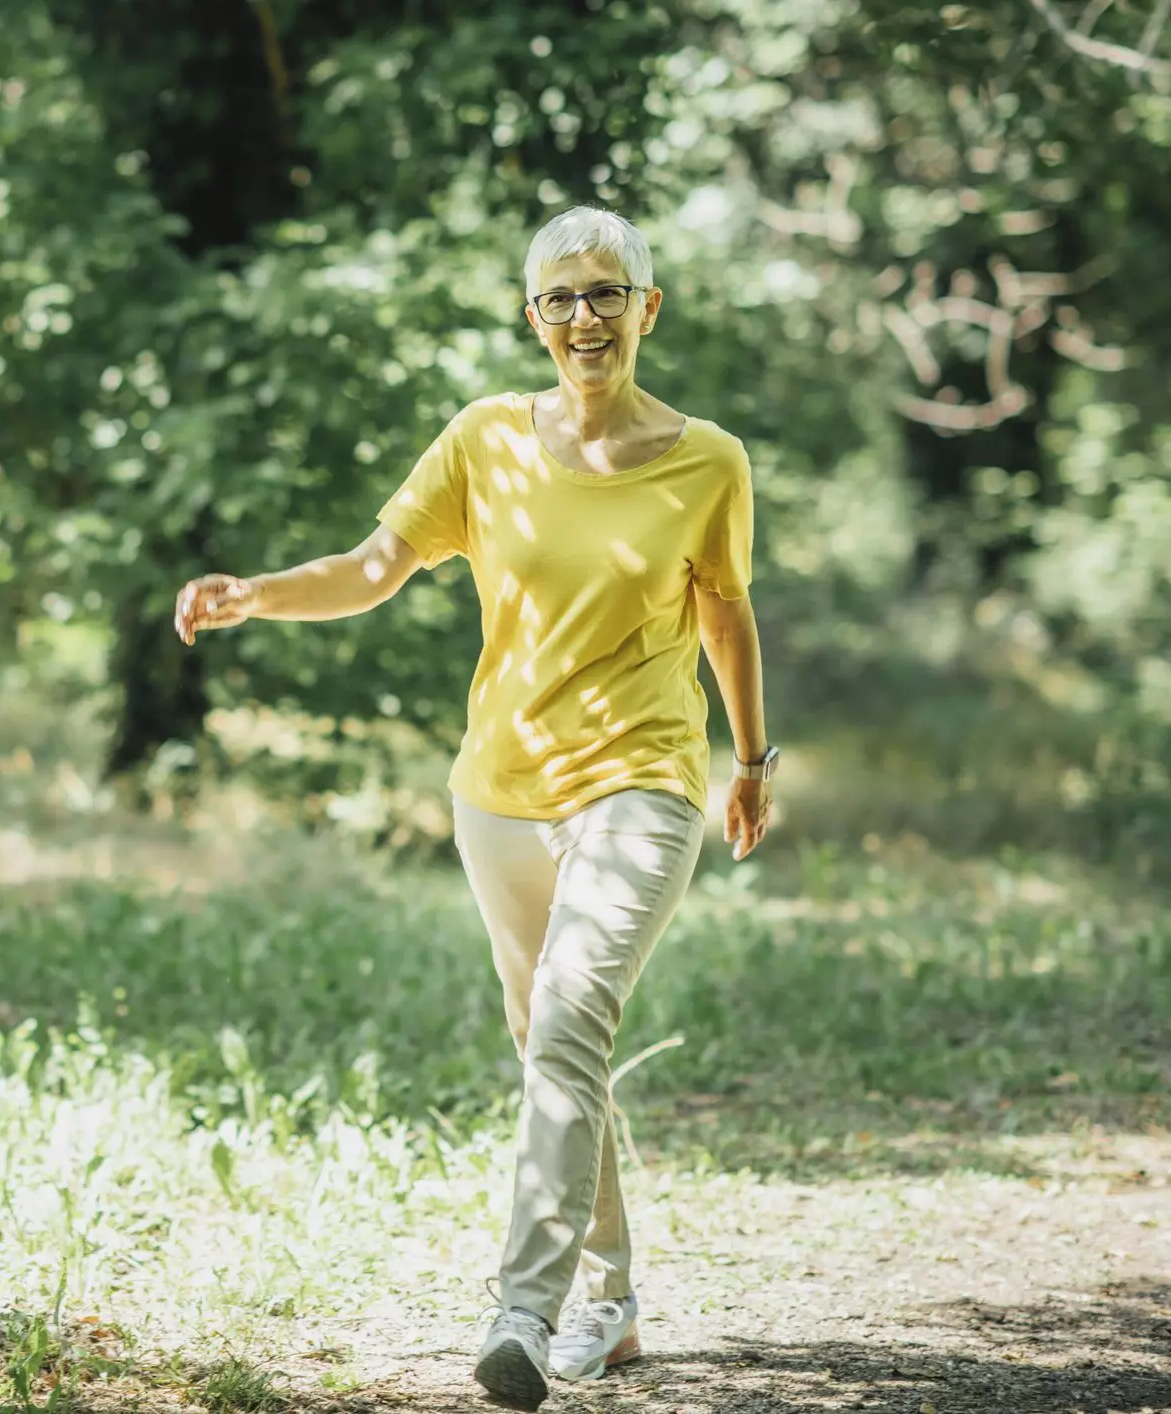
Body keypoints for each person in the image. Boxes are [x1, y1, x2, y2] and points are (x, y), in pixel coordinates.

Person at [173, 205, 776, 1411]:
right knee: (552, 1038)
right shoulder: (484, 439)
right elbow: (373, 567)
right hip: (498, 794)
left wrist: (751, 760)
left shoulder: (709, 459)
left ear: (647, 309)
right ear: (532, 317)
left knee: (569, 1012)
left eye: (605, 293)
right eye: (559, 299)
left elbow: (723, 614)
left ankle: (525, 1307)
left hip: (644, 779)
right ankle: (610, 1300)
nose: (583, 318)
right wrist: (258, 596)